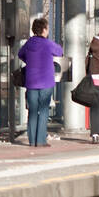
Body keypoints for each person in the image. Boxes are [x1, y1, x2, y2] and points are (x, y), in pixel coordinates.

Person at [18, 17, 62, 147]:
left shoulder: (28, 44)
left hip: (31, 82)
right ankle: (41, 140)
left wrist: (31, 61)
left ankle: (32, 140)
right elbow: (60, 51)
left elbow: (21, 54)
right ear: (43, 29)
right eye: (47, 28)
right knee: (43, 111)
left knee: (32, 111)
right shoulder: (47, 44)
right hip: (46, 82)